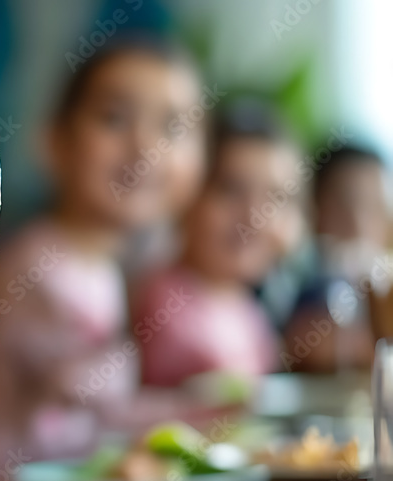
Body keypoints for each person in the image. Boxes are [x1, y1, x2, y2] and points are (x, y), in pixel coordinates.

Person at [0, 34, 207, 481]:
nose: (145, 147)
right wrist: (213, 412)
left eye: (172, 127)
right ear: (55, 140)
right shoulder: (44, 270)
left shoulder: (107, 262)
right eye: (115, 118)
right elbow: (103, 409)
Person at [135, 102, 301, 387]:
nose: (253, 217)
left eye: (275, 198)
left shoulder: (249, 310)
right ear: (188, 193)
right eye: (231, 189)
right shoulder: (161, 305)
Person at [283, 146, 392, 372]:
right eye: (344, 206)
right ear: (312, 208)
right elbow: (304, 344)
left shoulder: (381, 280)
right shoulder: (294, 274)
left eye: (375, 208)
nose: (359, 224)